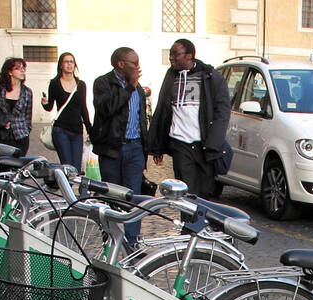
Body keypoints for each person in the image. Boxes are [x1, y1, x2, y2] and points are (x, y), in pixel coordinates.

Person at [147, 38, 230, 201]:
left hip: (204, 145)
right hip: (180, 144)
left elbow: (222, 111)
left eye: (175, 54)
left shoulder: (210, 77)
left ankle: (202, 225)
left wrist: (213, 143)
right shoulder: (171, 77)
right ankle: (188, 225)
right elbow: (162, 110)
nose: (171, 58)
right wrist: (158, 146)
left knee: (205, 194)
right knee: (185, 194)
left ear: (189, 56)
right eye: (170, 54)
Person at [91, 47, 149, 242]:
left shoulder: (137, 87)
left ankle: (132, 242)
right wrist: (129, 87)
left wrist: (146, 146)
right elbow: (106, 109)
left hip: (135, 148)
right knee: (112, 196)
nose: (138, 67)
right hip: (112, 149)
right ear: (120, 64)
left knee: (134, 197)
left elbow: (142, 118)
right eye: (134, 63)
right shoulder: (103, 82)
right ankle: (112, 239)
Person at [41, 52, 92, 170]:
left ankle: (69, 187)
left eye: (72, 62)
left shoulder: (81, 85)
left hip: (77, 131)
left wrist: (90, 129)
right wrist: (44, 103)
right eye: (66, 62)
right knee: (67, 166)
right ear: (61, 65)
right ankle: (65, 187)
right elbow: (50, 107)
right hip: (61, 130)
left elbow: (83, 108)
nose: (69, 64)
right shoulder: (55, 83)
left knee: (77, 168)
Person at [0, 57, 33, 155]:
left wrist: (26, 130)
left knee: (19, 167)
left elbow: (28, 115)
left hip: (21, 135)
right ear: (10, 72)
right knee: (4, 166)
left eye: (23, 68)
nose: (22, 70)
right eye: (18, 68)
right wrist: (1, 121)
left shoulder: (27, 92)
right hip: (2, 135)